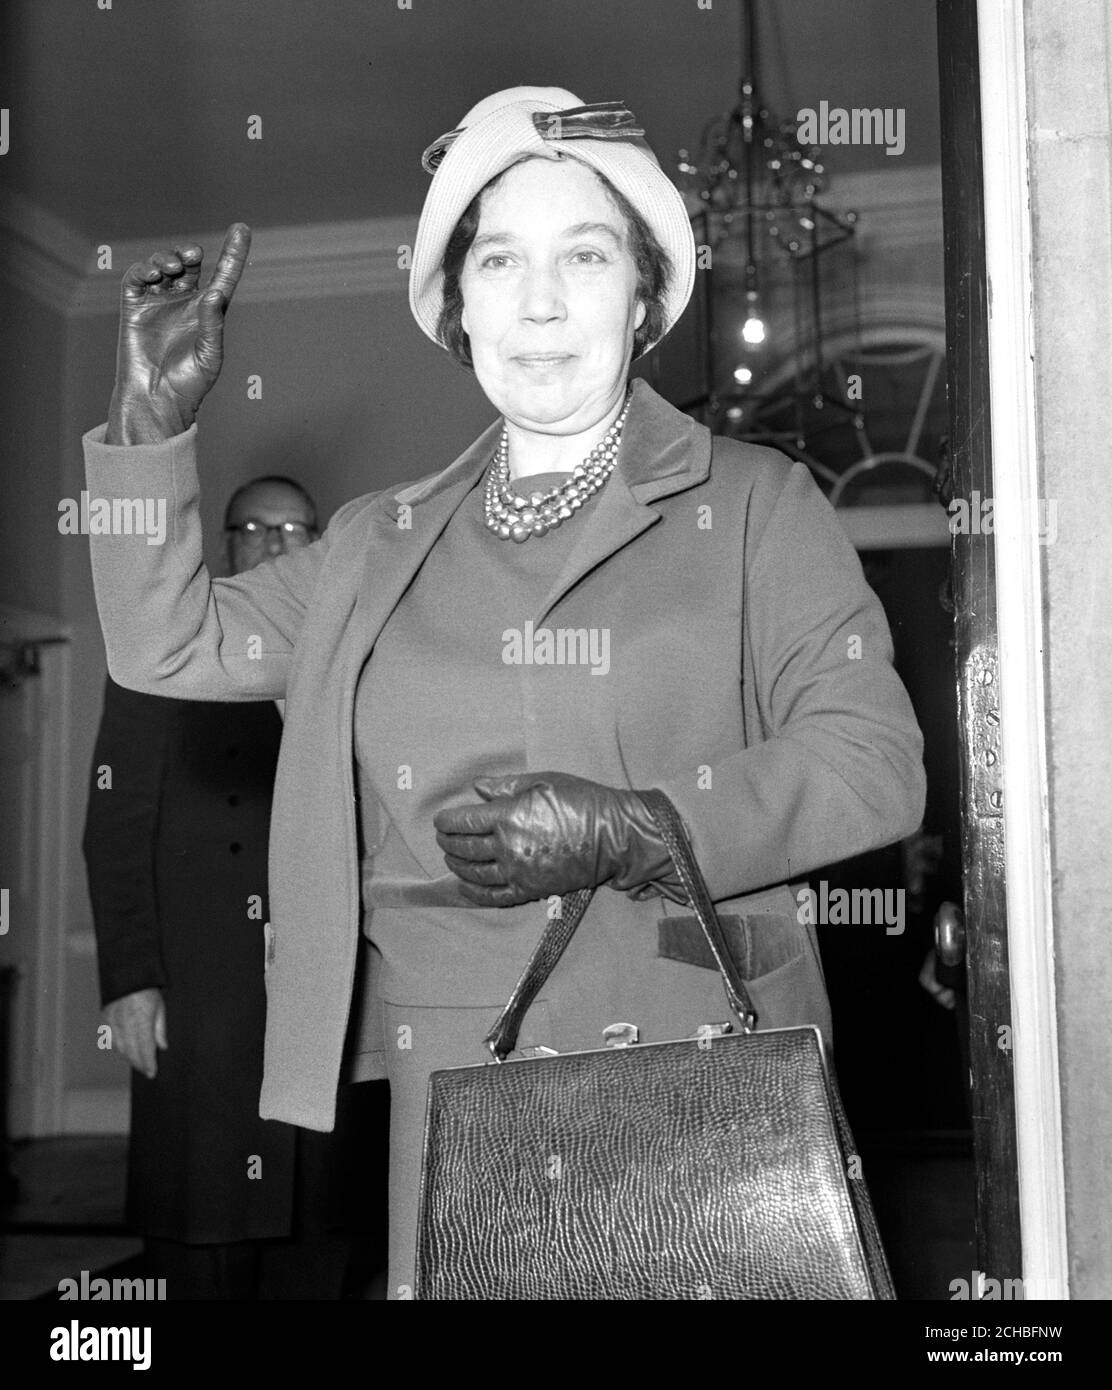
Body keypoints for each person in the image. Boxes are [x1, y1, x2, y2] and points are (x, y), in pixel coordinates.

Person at [81, 86, 926, 1298]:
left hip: (698, 1069)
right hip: (457, 1072)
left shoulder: (753, 503)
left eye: (583, 256)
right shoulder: (377, 541)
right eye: (499, 259)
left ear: (640, 300)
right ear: (454, 304)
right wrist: (147, 432)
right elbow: (168, 647)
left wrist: (641, 825)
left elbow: (871, 763)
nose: (539, 301)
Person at [82, 476, 356, 1300]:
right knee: (204, 1228)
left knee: (317, 1226)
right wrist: (130, 981)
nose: (278, 546)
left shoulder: (350, 659)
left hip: (321, 998)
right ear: (228, 544)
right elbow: (114, 824)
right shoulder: (163, 653)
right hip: (204, 1001)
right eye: (258, 528)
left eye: (296, 531)